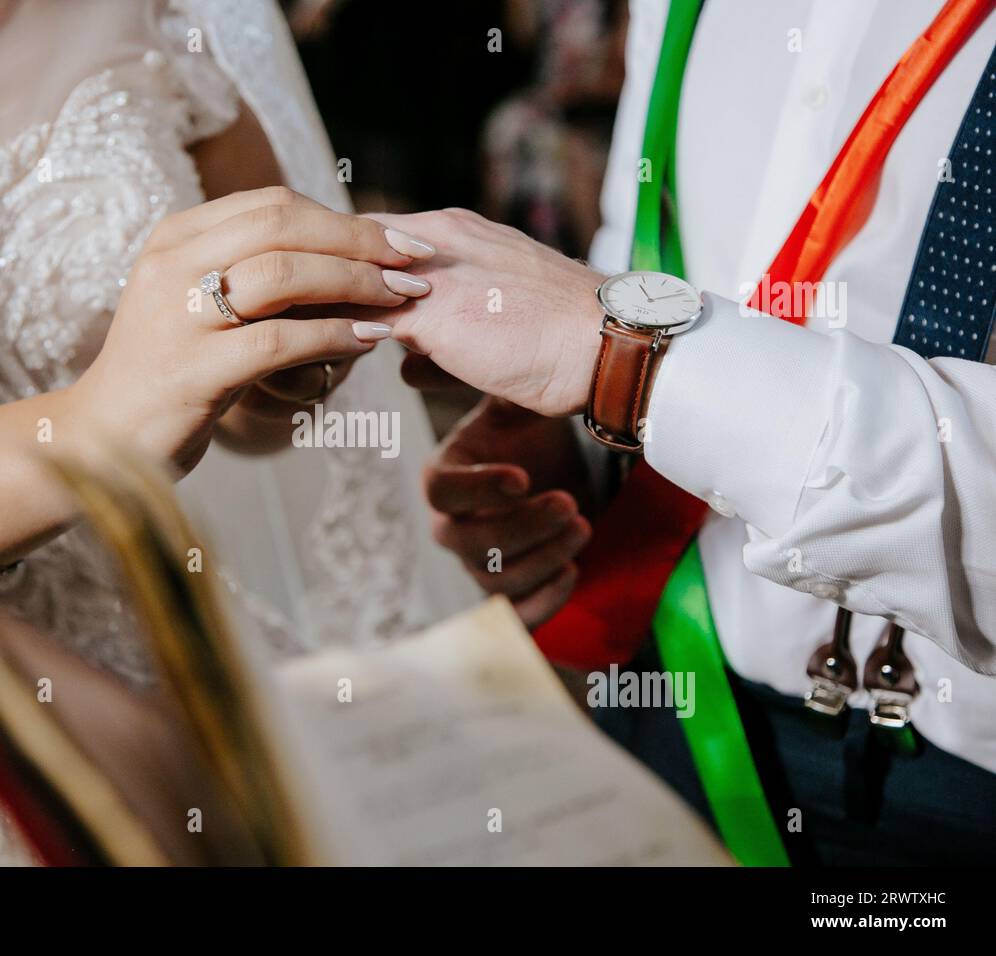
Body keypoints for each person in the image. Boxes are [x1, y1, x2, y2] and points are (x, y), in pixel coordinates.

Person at [0, 0, 473, 865]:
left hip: (150, 695)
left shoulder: (153, 17)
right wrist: (79, 434)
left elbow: (249, 406)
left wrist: (278, 370)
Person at [373, 0, 996, 864]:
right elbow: (648, 262)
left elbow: (627, 328)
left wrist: (624, 356)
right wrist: (585, 452)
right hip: (677, 709)